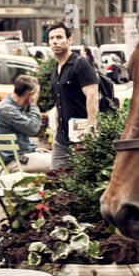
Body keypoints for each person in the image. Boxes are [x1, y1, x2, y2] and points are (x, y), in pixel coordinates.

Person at [47, 22, 98, 170]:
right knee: (56, 182)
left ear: (69, 40)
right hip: (61, 138)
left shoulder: (80, 64)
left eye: (59, 37)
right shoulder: (55, 69)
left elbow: (92, 96)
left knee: (81, 181)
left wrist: (91, 129)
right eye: (51, 38)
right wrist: (56, 128)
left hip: (81, 136)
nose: (54, 41)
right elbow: (59, 101)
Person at [0, 74, 52, 172]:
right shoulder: (7, 109)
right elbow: (33, 129)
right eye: (37, 93)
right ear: (29, 94)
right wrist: (33, 104)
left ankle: (41, 187)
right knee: (60, 163)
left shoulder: (11, 106)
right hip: (15, 161)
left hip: (20, 156)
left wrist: (33, 149)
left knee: (58, 159)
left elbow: (19, 138)